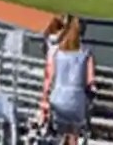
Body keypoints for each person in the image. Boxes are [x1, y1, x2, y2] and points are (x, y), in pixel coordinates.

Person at [40, 15, 96, 145]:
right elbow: (91, 81)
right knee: (74, 134)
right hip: (76, 99)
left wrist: (44, 99)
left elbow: (50, 78)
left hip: (58, 97)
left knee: (59, 133)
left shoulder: (56, 53)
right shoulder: (86, 53)